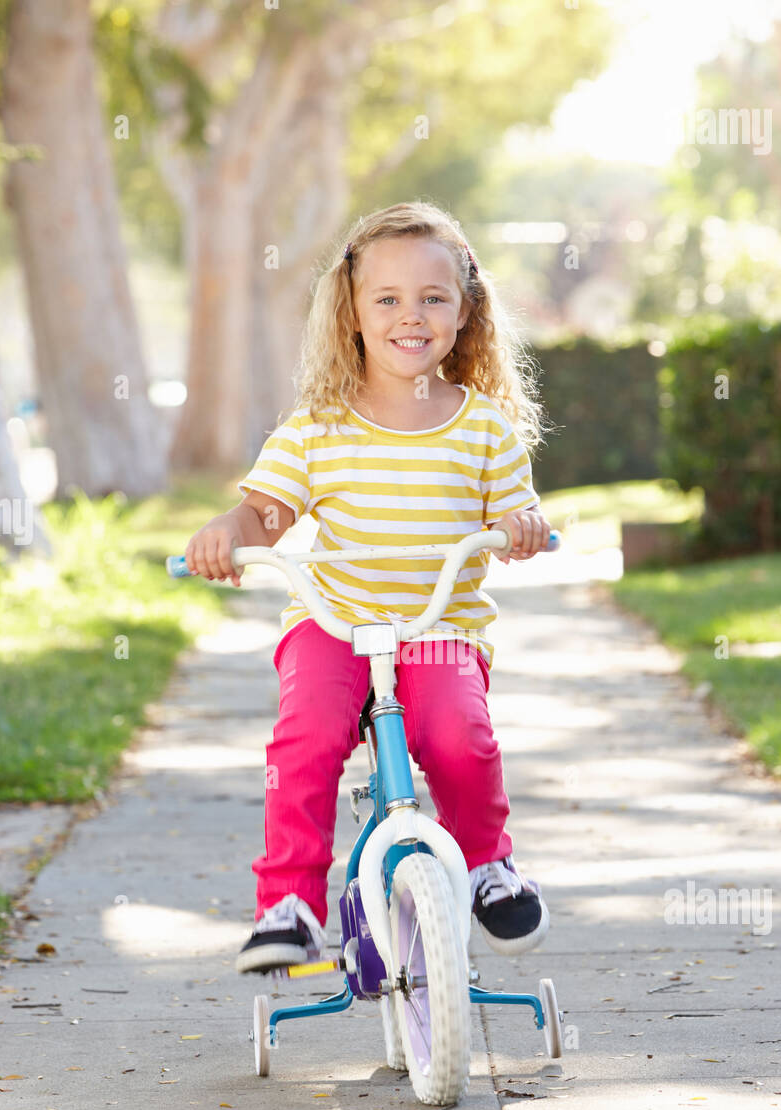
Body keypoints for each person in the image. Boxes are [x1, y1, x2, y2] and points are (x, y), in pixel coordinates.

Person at [184, 201, 554, 975]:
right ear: (352, 313)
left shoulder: (483, 428)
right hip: (335, 623)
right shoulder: (318, 427)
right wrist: (229, 535)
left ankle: (487, 865)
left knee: (461, 737)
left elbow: (516, 513)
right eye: (386, 299)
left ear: (465, 311)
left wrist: (522, 528)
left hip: (441, 626)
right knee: (306, 738)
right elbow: (263, 514)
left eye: (432, 298)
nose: (408, 317)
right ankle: (287, 904)